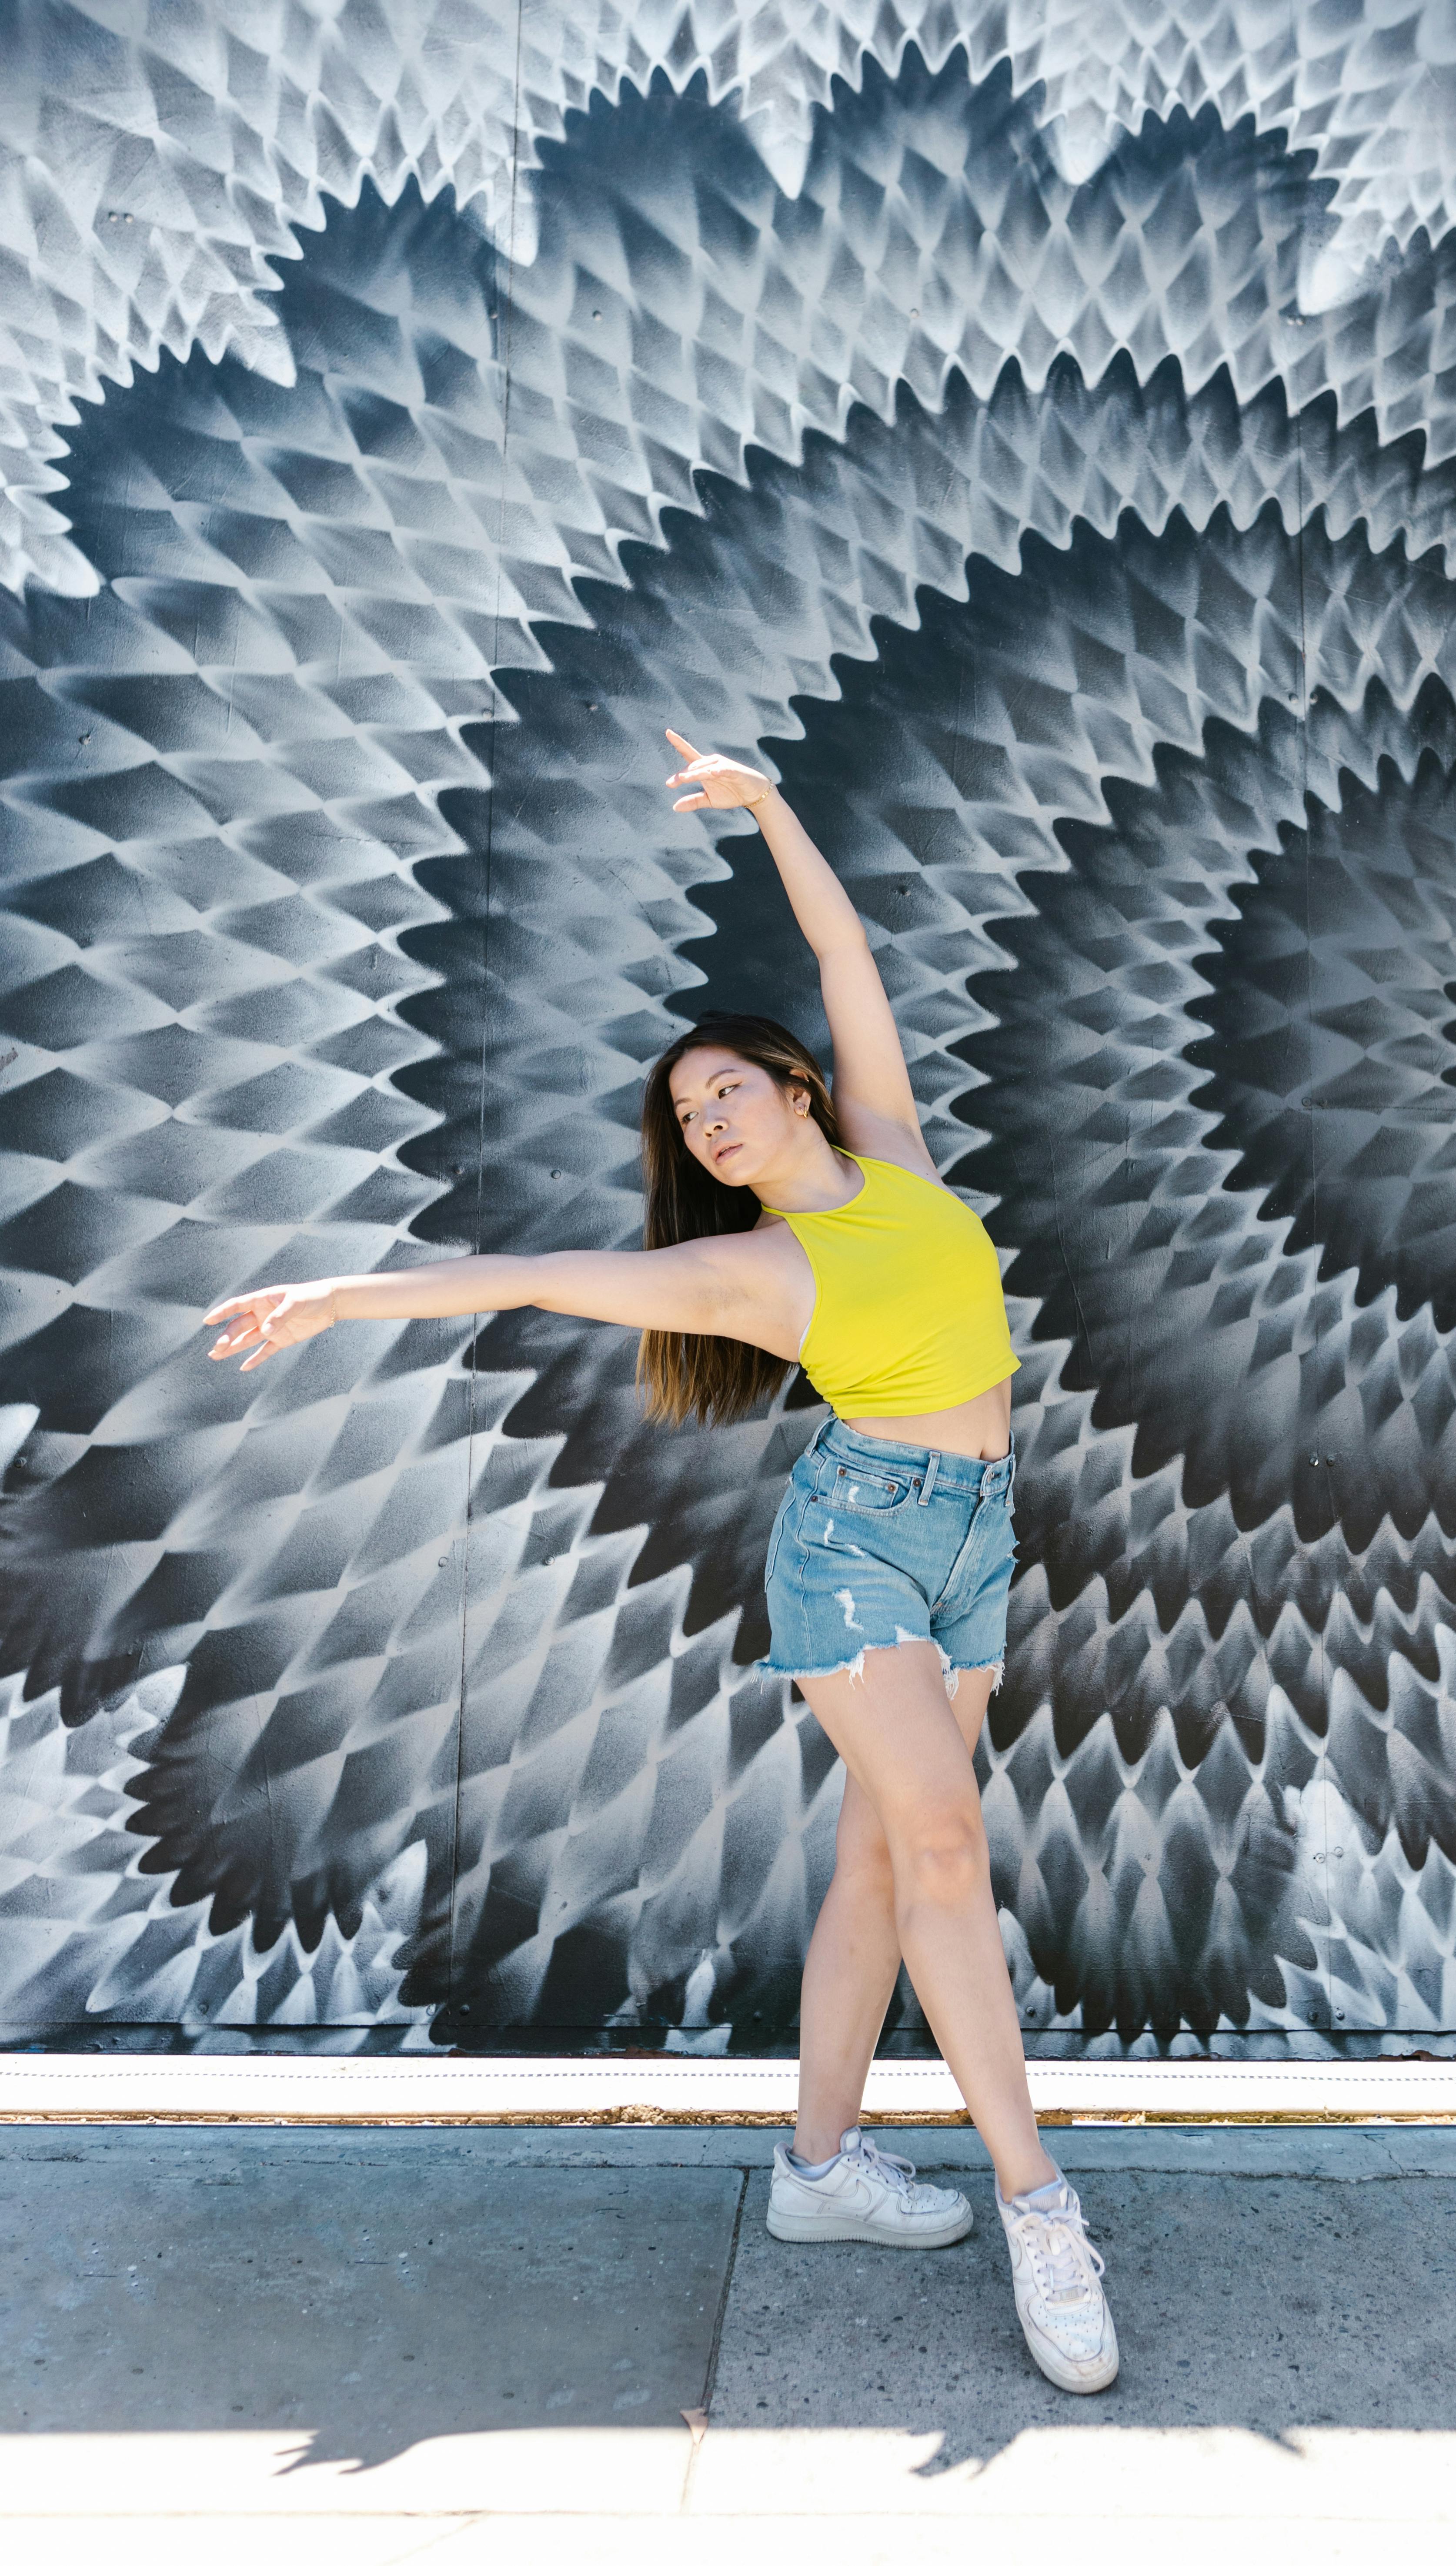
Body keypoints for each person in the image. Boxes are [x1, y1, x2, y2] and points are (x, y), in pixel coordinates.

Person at [203, 728, 1119, 2395]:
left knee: (881, 1864)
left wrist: (772, 807)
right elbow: (531, 1275)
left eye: (725, 1093)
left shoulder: (895, 1150)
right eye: (689, 1121)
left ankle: (820, 2170)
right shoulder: (751, 1273)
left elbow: (843, 951)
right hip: (856, 1546)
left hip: (977, 1537)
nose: (706, 1125)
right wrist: (334, 1297)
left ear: (795, 1088)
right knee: (941, 1843)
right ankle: (1038, 2200)